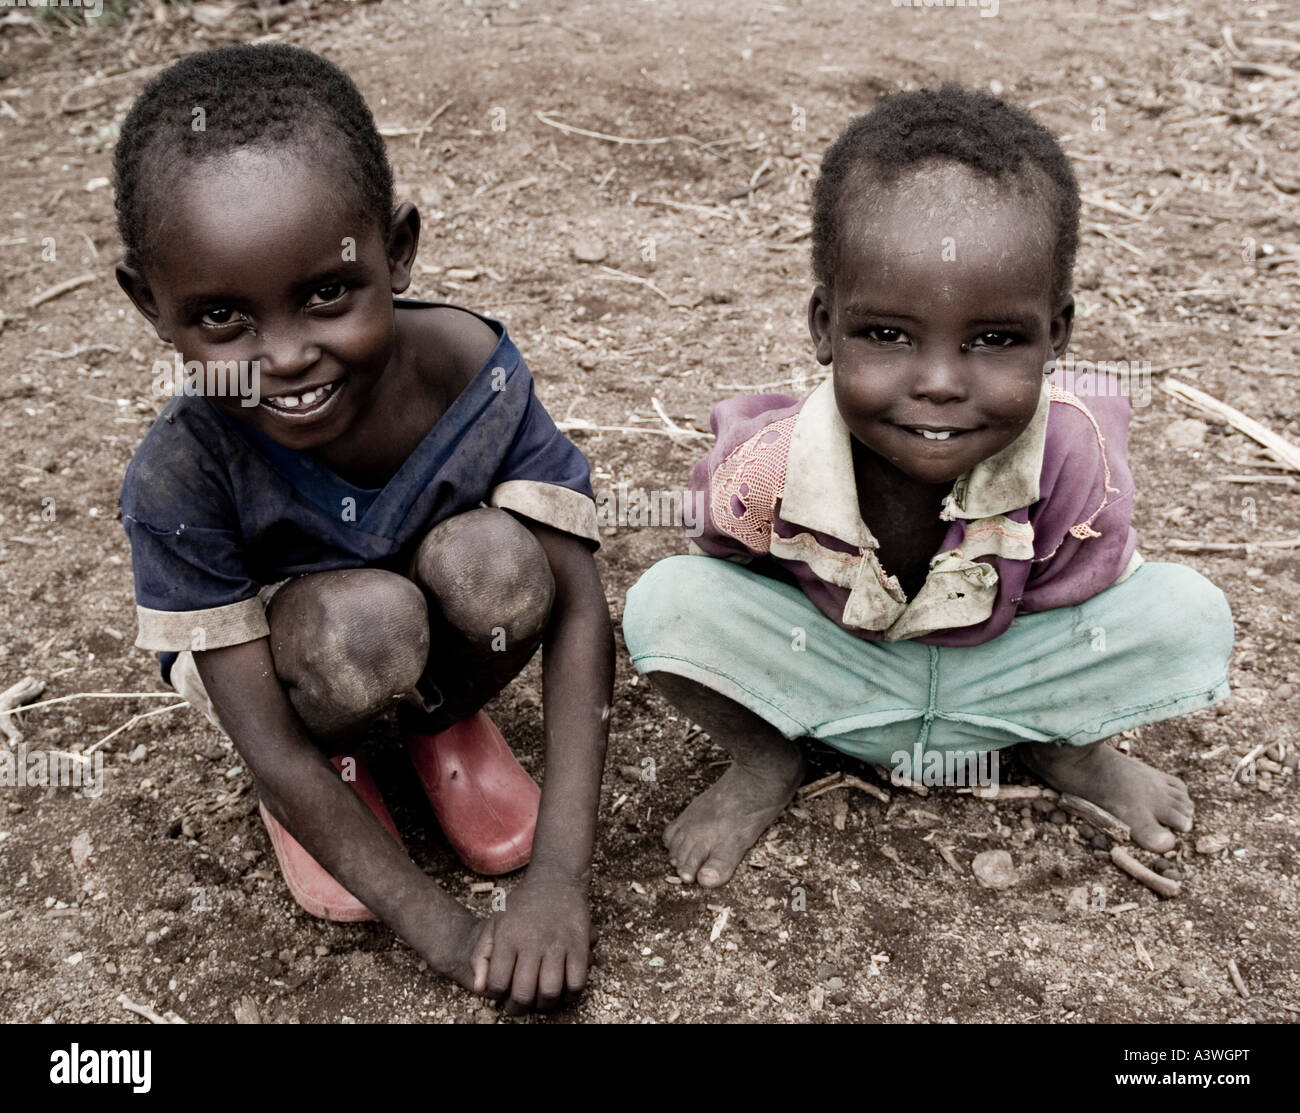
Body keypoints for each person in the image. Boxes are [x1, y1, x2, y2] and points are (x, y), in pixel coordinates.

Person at [622, 86, 1233, 889]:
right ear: (821, 326)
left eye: (993, 338)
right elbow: (727, 584)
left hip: (1002, 683)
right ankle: (768, 762)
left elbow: (1087, 606)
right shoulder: (761, 469)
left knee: (1188, 614)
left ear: (1057, 334)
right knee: (664, 602)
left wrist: (1054, 698)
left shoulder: (1077, 457)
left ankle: (1069, 750)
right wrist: (785, 657)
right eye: (886, 334)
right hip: (844, 678)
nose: (940, 383)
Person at [113, 44, 613, 1013]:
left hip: (436, 631)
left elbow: (581, 611)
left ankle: (442, 726)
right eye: (221, 317)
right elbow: (260, 735)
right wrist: (453, 934)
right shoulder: (183, 471)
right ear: (151, 307)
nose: (288, 356)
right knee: (363, 630)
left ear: (399, 249)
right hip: (297, 690)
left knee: (499, 564)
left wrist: (557, 881)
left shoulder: (475, 373)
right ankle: (336, 786)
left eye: (327, 293)